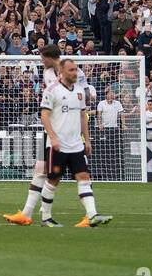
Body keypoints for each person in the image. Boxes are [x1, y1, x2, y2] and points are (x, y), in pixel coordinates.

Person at [5, 44, 87, 225]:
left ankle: (88, 213)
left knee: (78, 175)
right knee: (41, 170)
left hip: (68, 132)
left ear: (50, 57)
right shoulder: (48, 74)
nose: (41, 62)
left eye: (43, 58)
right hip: (51, 130)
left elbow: (80, 94)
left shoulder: (73, 72)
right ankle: (29, 213)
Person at [38, 59, 113, 228]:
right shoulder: (52, 90)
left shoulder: (79, 91)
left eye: (76, 70)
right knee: (53, 180)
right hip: (57, 145)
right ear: (62, 72)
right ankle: (46, 217)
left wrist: (87, 139)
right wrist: (53, 137)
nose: (75, 73)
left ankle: (93, 215)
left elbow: (82, 116)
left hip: (76, 145)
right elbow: (44, 115)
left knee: (84, 177)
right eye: (71, 70)